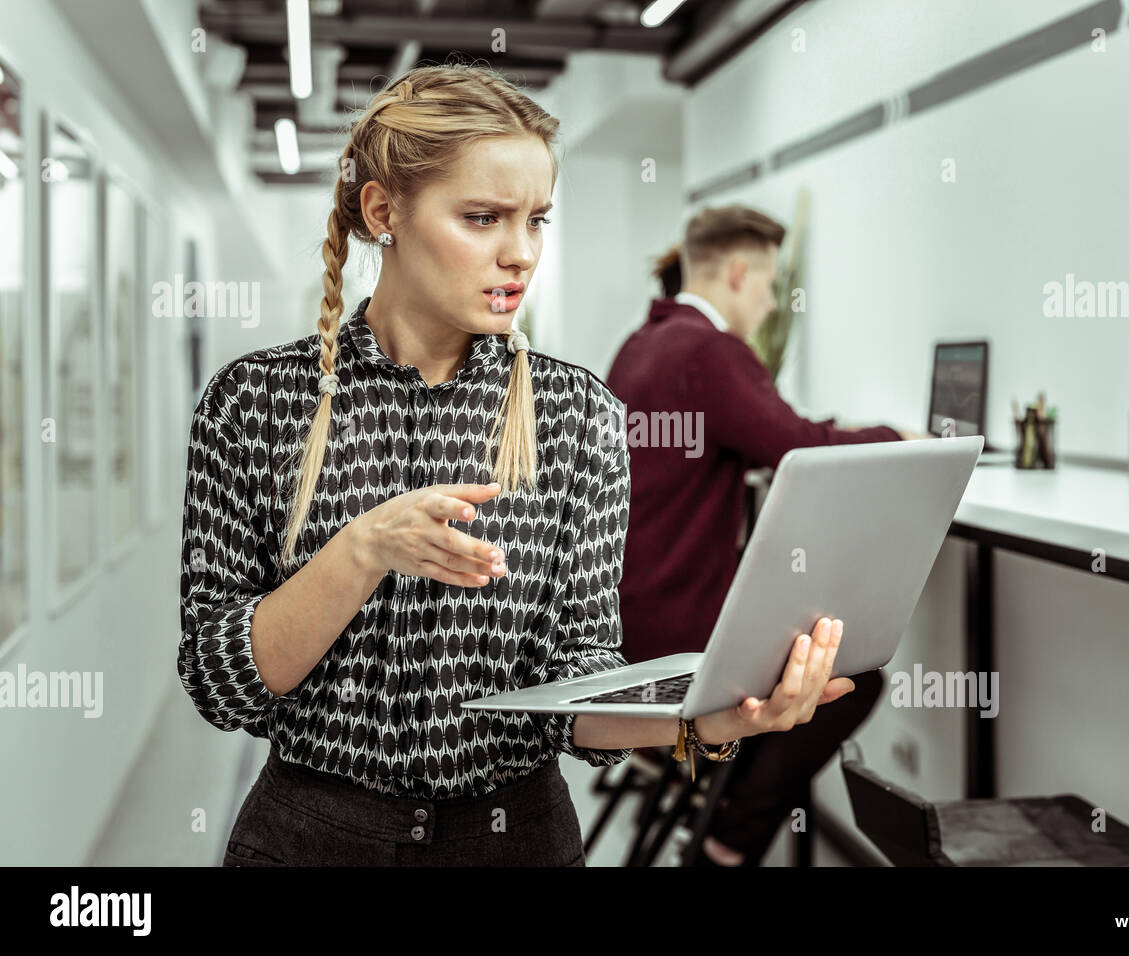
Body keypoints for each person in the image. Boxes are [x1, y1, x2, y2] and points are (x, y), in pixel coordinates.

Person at [178, 65, 855, 868]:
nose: (520, 253)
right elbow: (221, 684)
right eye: (482, 217)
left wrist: (705, 719)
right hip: (312, 838)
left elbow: (579, 684)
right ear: (382, 211)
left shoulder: (580, 415)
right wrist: (362, 550)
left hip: (518, 839)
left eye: (536, 220)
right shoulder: (253, 403)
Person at [605, 204, 930, 867]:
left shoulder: (641, 344)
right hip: (676, 635)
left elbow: (772, 433)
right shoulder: (710, 350)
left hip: (627, 620)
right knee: (856, 677)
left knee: (816, 647)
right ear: (735, 272)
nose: (772, 299)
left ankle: (722, 805)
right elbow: (799, 447)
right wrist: (901, 438)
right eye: (770, 283)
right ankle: (728, 844)